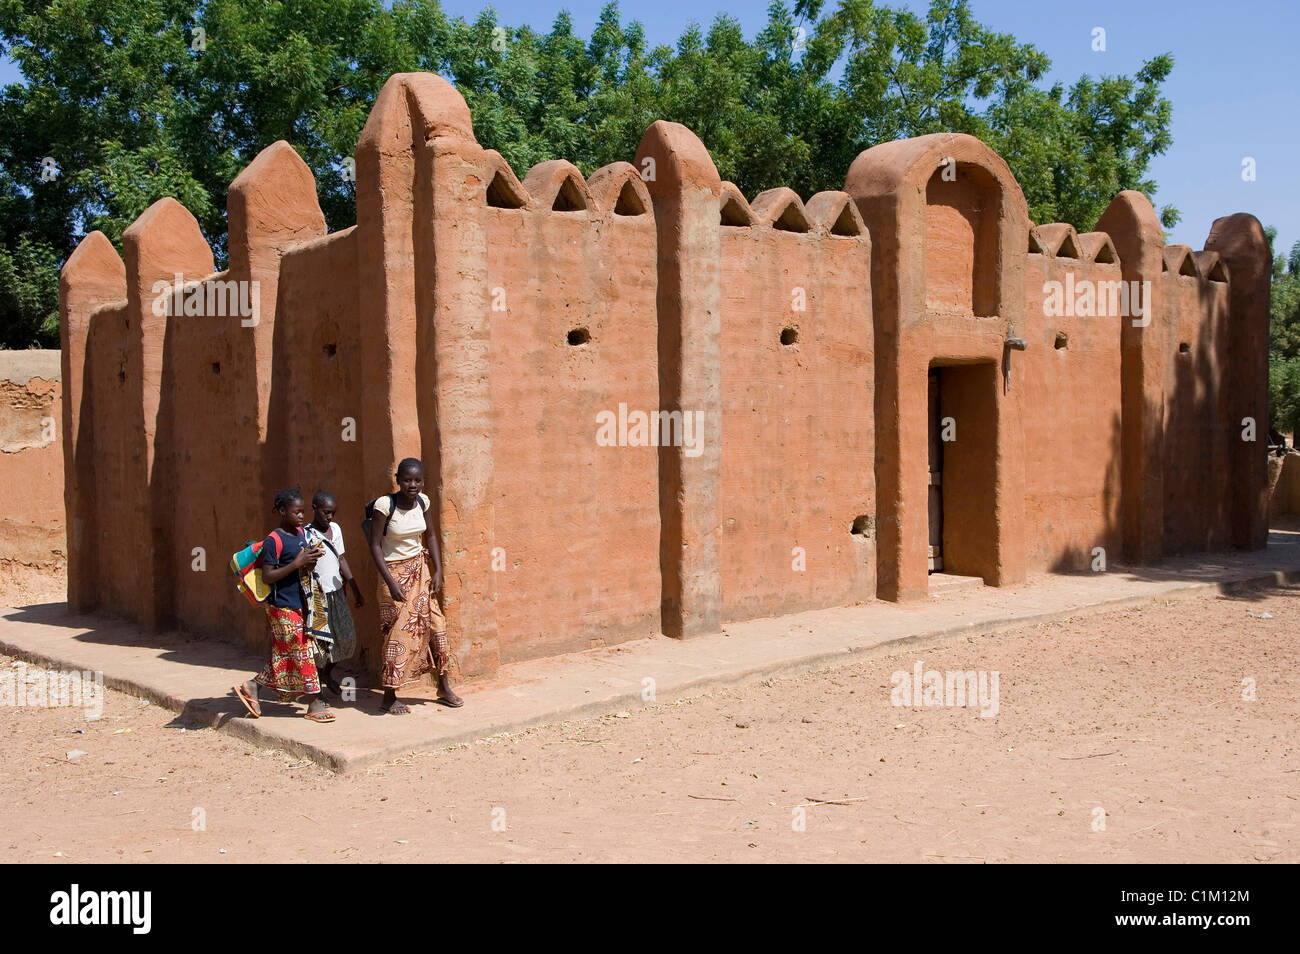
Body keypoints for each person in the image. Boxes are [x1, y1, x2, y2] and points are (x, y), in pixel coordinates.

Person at [368, 458, 463, 714]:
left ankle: (443, 686)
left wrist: (439, 570)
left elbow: (430, 535)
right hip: (393, 575)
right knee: (397, 634)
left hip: (420, 571)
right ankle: (389, 695)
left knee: (437, 625)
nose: (413, 485)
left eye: (417, 480)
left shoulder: (424, 501)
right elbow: (375, 545)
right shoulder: (385, 505)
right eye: (407, 480)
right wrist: (390, 581)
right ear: (398, 479)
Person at [232, 489, 335, 723]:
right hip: (281, 607)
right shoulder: (273, 540)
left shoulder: (299, 534)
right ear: (281, 511)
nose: (301, 517)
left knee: (285, 656)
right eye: (296, 512)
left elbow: (299, 566)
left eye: (303, 512)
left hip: (300, 604)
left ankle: (253, 686)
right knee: (303, 651)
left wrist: (309, 560)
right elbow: (268, 576)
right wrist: (297, 563)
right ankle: (314, 703)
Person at [305, 490, 364, 697]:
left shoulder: (335, 529)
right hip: (318, 597)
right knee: (320, 644)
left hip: (337, 593)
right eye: (325, 512)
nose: (329, 517)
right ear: (314, 509)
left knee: (346, 638)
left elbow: (341, 559)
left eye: (332, 513)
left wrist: (355, 588)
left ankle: (327, 674)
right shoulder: (306, 535)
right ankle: (317, 689)